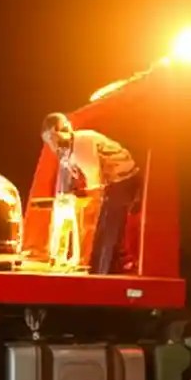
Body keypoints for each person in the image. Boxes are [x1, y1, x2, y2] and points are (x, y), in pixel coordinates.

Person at [40, 113, 139, 273]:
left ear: (57, 133)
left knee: (109, 225)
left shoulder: (81, 144)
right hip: (113, 182)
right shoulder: (68, 150)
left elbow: (95, 183)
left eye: (52, 139)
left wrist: (88, 209)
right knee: (103, 225)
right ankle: (100, 266)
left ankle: (109, 268)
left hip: (124, 179)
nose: (52, 146)